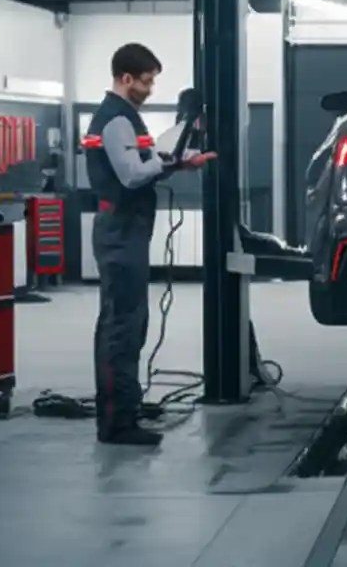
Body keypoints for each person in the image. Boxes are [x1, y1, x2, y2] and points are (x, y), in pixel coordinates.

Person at [84, 43, 216, 445]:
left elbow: (141, 165)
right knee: (122, 326)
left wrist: (177, 160)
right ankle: (117, 423)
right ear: (126, 78)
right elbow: (131, 176)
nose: (150, 88)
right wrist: (170, 159)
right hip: (120, 230)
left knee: (127, 321)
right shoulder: (116, 120)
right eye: (146, 80)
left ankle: (123, 411)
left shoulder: (124, 119)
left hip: (127, 229)